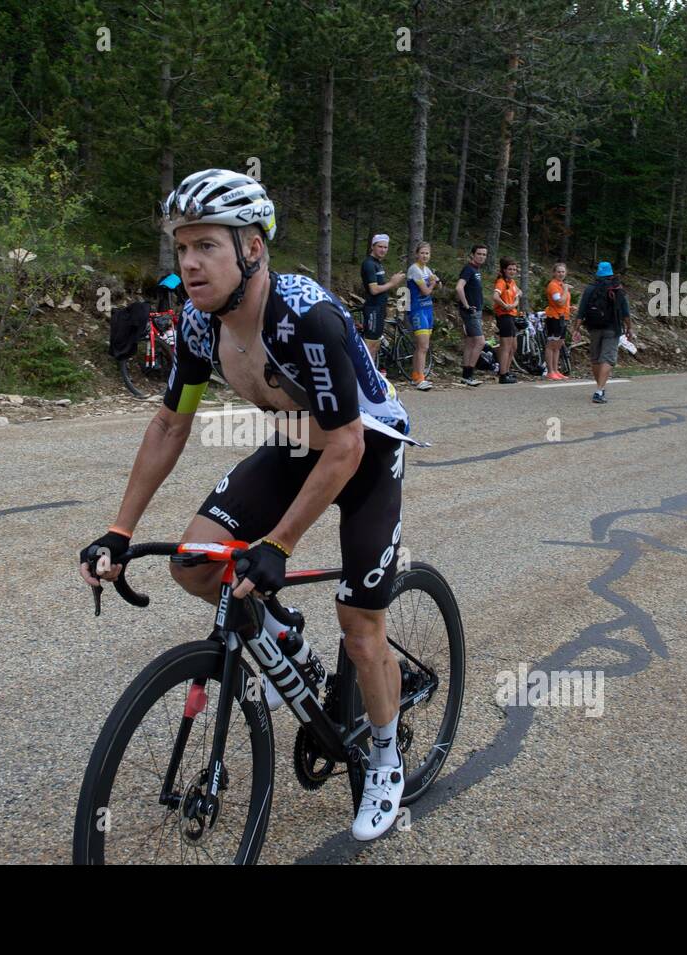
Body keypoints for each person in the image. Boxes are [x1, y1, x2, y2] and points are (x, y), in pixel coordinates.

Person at [77, 168, 419, 842]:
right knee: (195, 563)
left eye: (206, 245)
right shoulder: (198, 327)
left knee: (359, 623)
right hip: (298, 442)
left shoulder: (305, 316)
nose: (190, 262)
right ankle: (285, 633)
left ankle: (384, 756)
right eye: (182, 248)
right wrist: (120, 530)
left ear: (252, 248)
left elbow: (347, 443)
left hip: (366, 451)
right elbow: (170, 425)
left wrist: (280, 544)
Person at [575, 261, 632, 404]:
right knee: (607, 358)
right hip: (612, 328)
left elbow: (581, 310)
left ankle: (600, 388)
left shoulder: (590, 289)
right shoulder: (618, 289)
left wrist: (576, 328)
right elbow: (625, 312)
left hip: (593, 327)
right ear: (611, 273)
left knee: (595, 358)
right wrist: (629, 328)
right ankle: (599, 390)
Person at [360, 234, 406, 365]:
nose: (383, 250)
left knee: (375, 344)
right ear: (372, 246)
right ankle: (365, 377)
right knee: (370, 345)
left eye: (385, 247)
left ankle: (371, 375)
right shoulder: (369, 264)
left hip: (379, 308)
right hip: (372, 308)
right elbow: (373, 290)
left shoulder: (378, 264)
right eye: (380, 246)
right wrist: (393, 283)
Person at [406, 242, 440, 390]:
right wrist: (433, 284)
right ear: (416, 254)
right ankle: (420, 379)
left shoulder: (426, 269)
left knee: (422, 347)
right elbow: (426, 291)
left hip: (427, 309)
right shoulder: (414, 269)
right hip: (417, 309)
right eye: (422, 253)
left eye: (427, 253)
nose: (425, 256)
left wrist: (435, 282)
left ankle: (416, 376)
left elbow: (439, 285)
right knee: (423, 346)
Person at [455, 244, 488, 386]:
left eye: (484, 254)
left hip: (477, 310)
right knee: (480, 342)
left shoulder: (476, 270)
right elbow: (459, 287)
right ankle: (469, 375)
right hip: (471, 311)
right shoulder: (468, 269)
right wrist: (467, 306)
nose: (481, 256)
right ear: (473, 254)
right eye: (479, 254)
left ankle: (465, 376)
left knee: (470, 342)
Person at [492, 258, 521, 383]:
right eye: (510, 269)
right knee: (506, 346)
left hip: (512, 315)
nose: (512, 271)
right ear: (504, 270)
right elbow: (495, 296)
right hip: (504, 316)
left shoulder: (512, 282)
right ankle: (503, 374)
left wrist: (515, 302)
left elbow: (518, 293)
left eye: (514, 269)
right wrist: (505, 305)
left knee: (513, 346)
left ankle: (506, 370)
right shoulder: (501, 282)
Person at [542, 262, 573, 381]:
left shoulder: (561, 285)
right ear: (554, 273)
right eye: (558, 272)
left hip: (563, 317)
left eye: (563, 272)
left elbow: (563, 303)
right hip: (554, 318)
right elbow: (559, 301)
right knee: (552, 345)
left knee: (558, 345)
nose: (561, 274)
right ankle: (550, 371)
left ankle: (556, 370)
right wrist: (565, 290)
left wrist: (569, 308)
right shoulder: (553, 285)